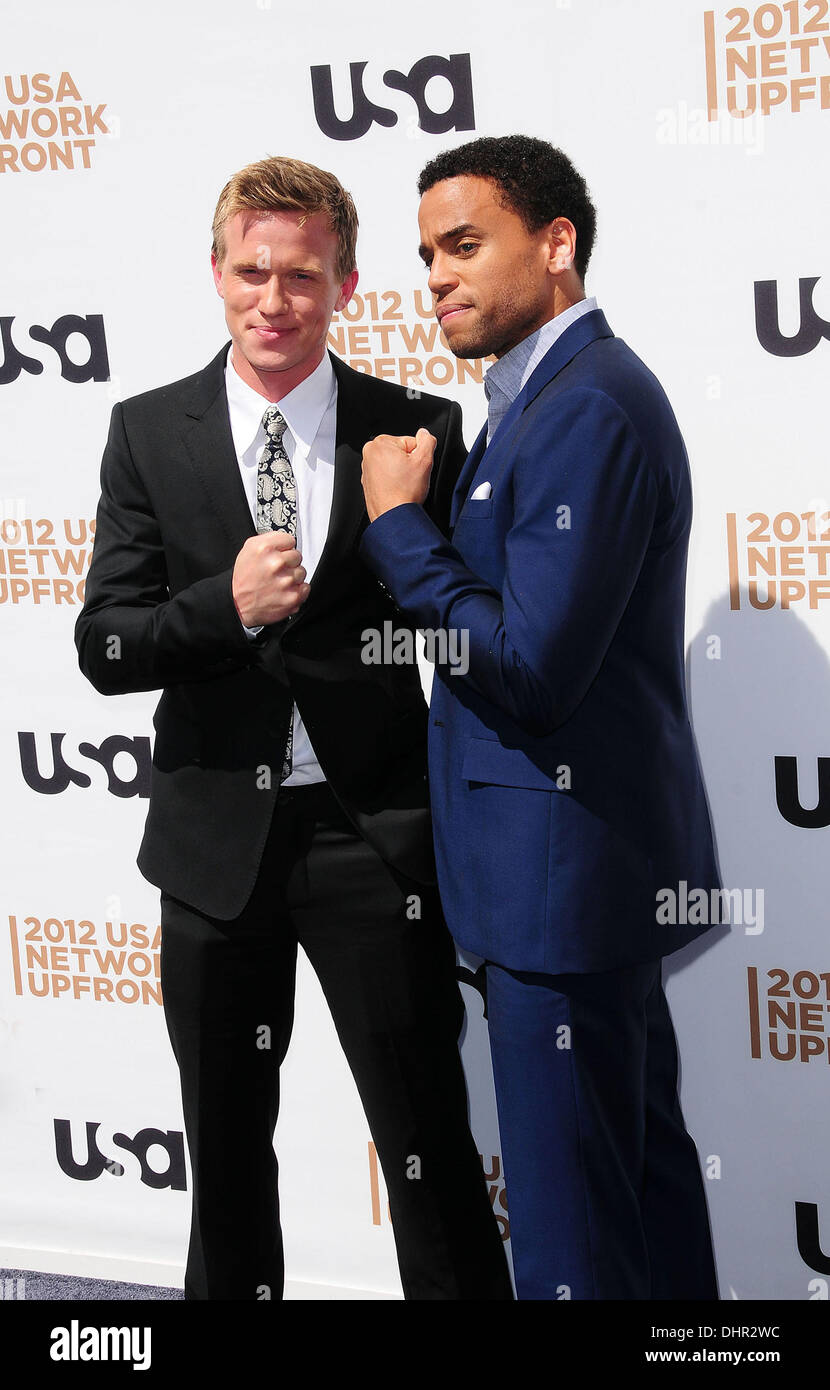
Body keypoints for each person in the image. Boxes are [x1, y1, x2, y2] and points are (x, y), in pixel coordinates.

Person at [75, 155, 512, 1302]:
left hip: (375, 843)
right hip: (214, 855)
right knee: (223, 1164)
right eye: (252, 271)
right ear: (216, 273)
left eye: (302, 276)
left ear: (346, 284)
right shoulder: (146, 432)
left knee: (428, 1154)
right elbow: (105, 644)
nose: (274, 299)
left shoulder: (413, 427)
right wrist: (222, 604)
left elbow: (469, 626)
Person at [360, 134, 720, 1300]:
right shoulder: (542, 402)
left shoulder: (583, 408)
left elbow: (525, 666)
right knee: (633, 1193)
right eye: (425, 256)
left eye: (464, 244)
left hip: (558, 894)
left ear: (554, 243)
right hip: (564, 883)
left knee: (569, 1244)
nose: (437, 277)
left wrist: (397, 527)